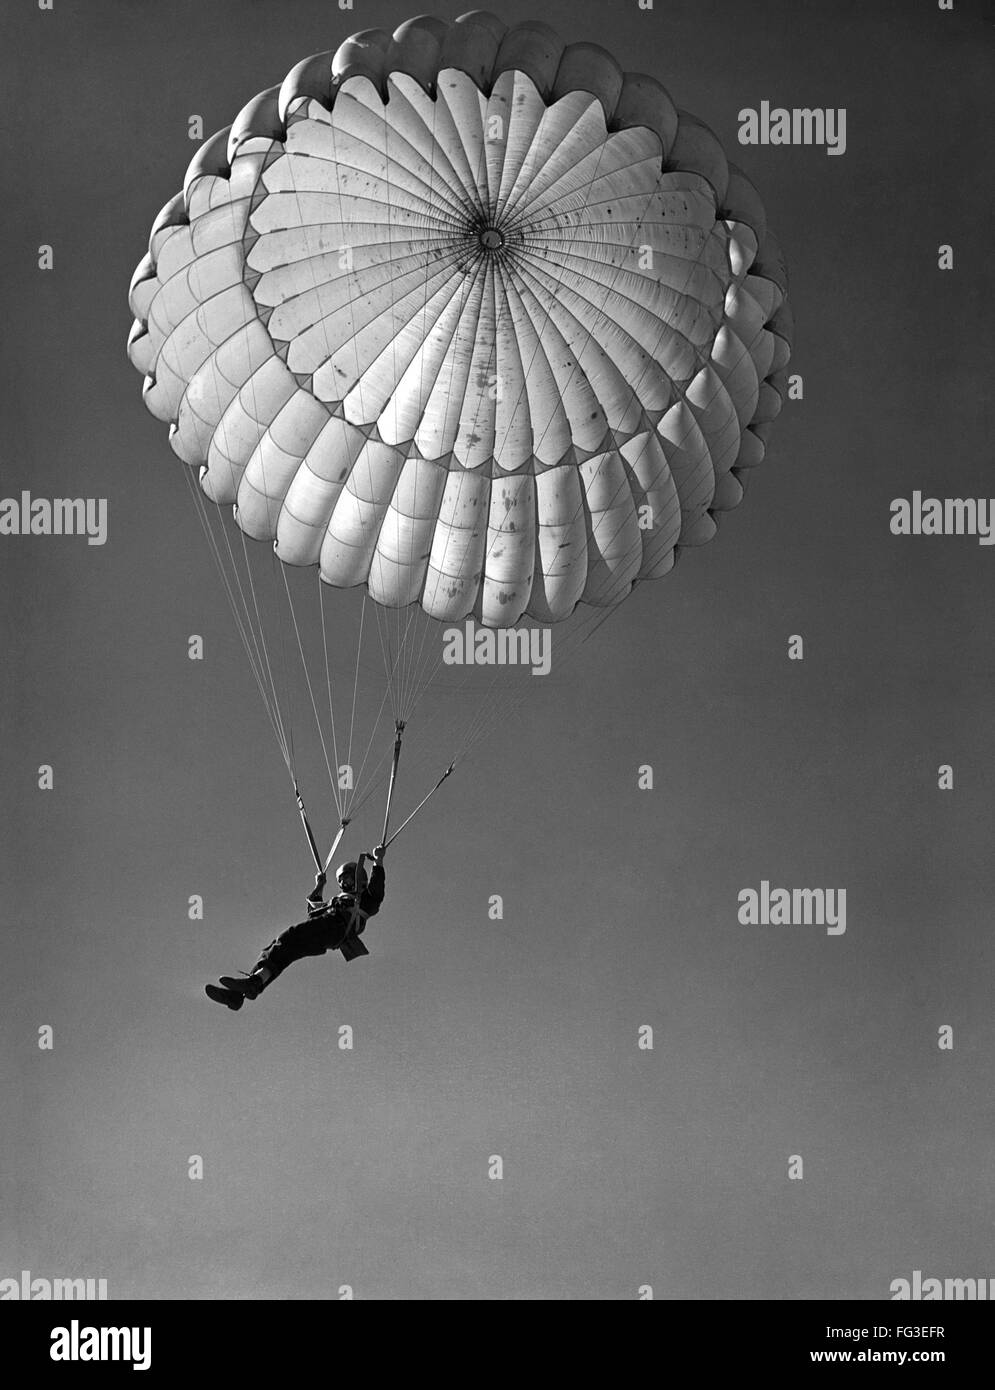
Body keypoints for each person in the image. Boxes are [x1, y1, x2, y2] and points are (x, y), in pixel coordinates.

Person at [205, 845, 386, 1011]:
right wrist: (320, 885)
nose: (345, 884)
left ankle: (250, 985)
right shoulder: (337, 901)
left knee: (289, 936)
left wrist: (378, 861)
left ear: (360, 879)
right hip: (326, 930)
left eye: (348, 878)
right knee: (282, 950)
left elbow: (377, 889)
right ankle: (242, 992)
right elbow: (314, 912)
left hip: (335, 928)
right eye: (342, 881)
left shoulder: (366, 900)